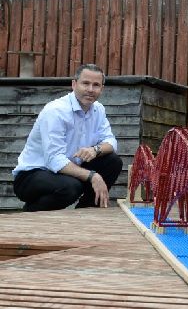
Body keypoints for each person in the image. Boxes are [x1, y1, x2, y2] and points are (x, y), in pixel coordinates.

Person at [12, 64, 122, 212]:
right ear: (74, 84)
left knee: (113, 161)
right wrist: (93, 176)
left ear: (102, 88)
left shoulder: (98, 110)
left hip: (68, 171)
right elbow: (54, 159)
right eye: (85, 83)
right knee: (70, 187)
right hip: (32, 176)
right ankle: (30, 214)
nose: (90, 89)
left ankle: (86, 212)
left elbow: (111, 142)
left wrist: (95, 150)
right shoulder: (56, 111)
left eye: (96, 85)